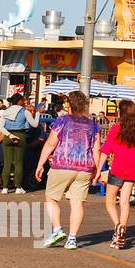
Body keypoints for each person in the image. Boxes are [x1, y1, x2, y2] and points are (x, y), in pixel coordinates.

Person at [35, 90, 101, 249]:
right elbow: (96, 149)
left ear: (69, 104)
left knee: (51, 198)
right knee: (77, 203)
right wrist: (97, 170)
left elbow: (51, 143)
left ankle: (57, 229)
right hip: (84, 167)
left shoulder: (62, 121)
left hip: (63, 165)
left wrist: (40, 164)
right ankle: (72, 238)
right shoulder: (93, 125)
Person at [96, 100, 135, 250]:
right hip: (133, 170)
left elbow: (105, 151)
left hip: (118, 168)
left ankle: (118, 226)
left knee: (110, 201)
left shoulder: (117, 129)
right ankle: (122, 233)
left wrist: (98, 171)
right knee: (125, 202)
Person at [0, 94, 39, 194]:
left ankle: (4, 188)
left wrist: (9, 135)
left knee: (7, 162)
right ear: (20, 101)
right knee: (18, 162)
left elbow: (0, 127)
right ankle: (18, 187)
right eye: (23, 100)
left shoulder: (6, 112)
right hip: (20, 135)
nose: (24, 102)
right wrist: (37, 114)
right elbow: (35, 124)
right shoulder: (24, 112)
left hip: (8, 136)